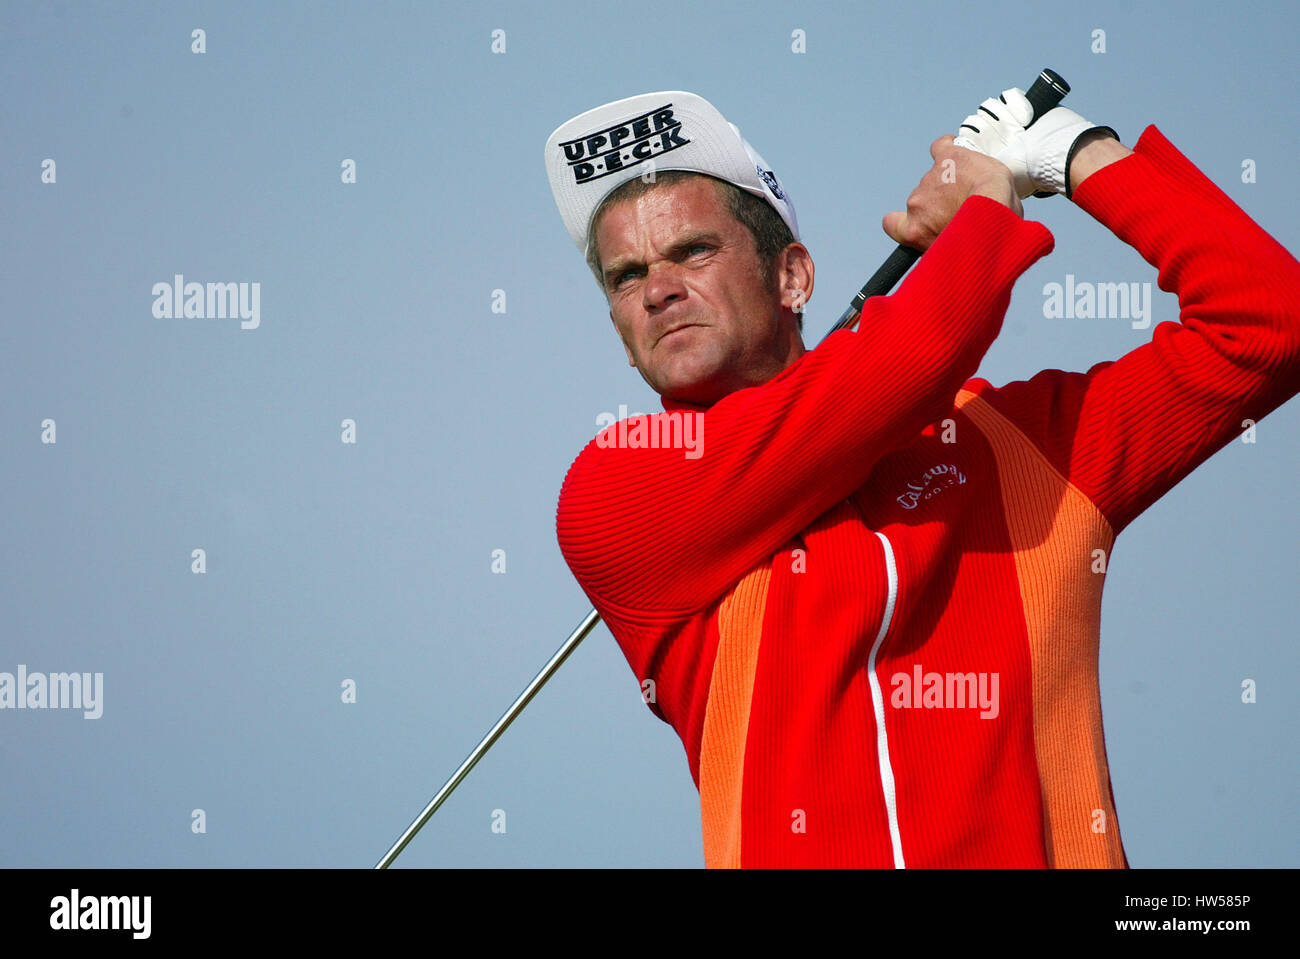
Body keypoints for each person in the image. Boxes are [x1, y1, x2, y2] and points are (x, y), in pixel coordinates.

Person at [543, 90, 1300, 867]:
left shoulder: (1019, 445)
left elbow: (1271, 320)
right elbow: (916, 354)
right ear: (622, 334)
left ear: (793, 277)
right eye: (626, 277)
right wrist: (985, 210)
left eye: (693, 250)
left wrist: (1078, 155)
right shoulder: (614, 493)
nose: (657, 289)